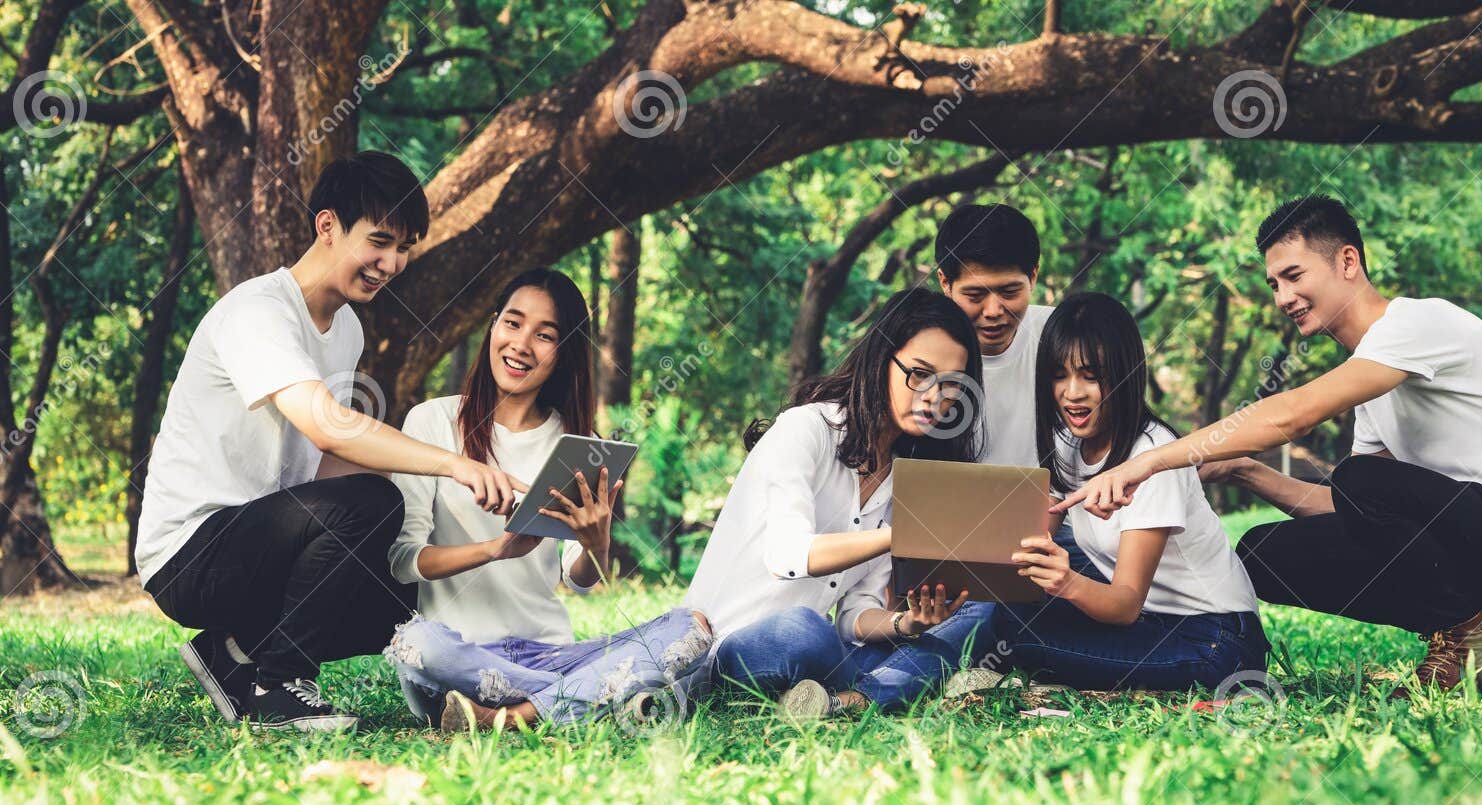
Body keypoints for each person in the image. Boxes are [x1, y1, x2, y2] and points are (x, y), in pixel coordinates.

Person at [1064, 196, 1482, 693]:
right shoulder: (1372, 378)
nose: (1283, 298)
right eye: (1273, 284)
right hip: (1479, 551)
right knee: (1265, 553)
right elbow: (1353, 511)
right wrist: (1247, 471)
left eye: (1294, 276)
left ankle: (1467, 638)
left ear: (1348, 261)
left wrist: (1150, 460)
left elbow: (1295, 414)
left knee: (1359, 476)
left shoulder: (1419, 323)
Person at [137, 152, 526, 732]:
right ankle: (277, 689)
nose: (391, 263)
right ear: (327, 226)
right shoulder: (258, 311)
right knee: (375, 504)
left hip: (260, 540)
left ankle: (232, 657)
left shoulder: (345, 329)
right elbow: (327, 425)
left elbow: (322, 465)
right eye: (380, 241)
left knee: (401, 593)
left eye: (404, 249)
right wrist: (453, 464)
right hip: (190, 554)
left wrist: (445, 500)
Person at [383, 269, 712, 730]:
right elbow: (403, 560)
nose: (521, 344)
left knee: (690, 628)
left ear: (564, 353)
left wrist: (596, 543)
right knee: (416, 644)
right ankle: (592, 694)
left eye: (545, 335)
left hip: (550, 653)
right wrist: (495, 550)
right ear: (493, 326)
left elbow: (580, 580)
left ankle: (515, 715)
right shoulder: (432, 422)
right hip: (457, 653)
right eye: (512, 323)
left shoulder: (582, 445)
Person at [685, 287, 996, 720]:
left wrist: (907, 623)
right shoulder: (805, 429)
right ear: (881, 360)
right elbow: (788, 555)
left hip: (820, 656)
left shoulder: (907, 476)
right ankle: (872, 691)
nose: (934, 397)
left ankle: (833, 704)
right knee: (806, 630)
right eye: (920, 374)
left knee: (941, 646)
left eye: (950, 386)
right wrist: (896, 537)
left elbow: (855, 612)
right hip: (733, 648)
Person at [975, 294, 1267, 691]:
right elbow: (1033, 538)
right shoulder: (1067, 445)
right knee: (1010, 618)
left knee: (1023, 639)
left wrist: (1066, 583)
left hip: (1214, 642)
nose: (1072, 392)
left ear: (1124, 374)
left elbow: (1125, 604)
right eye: (1059, 375)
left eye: (1090, 375)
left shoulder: (1152, 455)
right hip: (1151, 627)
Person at [934, 202, 1055, 468]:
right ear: (945, 283)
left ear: (1033, 277)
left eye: (1010, 292)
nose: (993, 311)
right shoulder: (921, 350)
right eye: (975, 295)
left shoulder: (1061, 338)